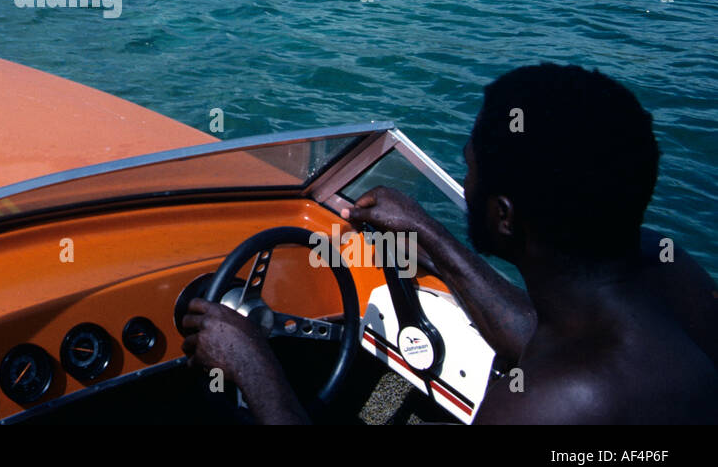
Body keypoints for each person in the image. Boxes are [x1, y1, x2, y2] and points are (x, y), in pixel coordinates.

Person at [182, 63, 718, 423]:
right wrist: (428, 233)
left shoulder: (538, 407)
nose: (464, 186)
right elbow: (548, 337)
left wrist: (254, 368)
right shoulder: (667, 271)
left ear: (503, 217)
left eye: (469, 171)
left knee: (378, 410)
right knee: (380, 408)